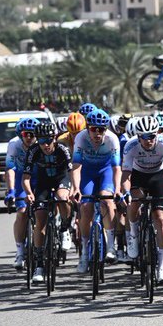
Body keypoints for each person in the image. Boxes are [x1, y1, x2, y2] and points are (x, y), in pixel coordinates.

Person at [120, 114, 163, 284]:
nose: (148, 140)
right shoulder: (131, 146)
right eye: (144, 137)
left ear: (157, 134)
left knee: (160, 218)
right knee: (134, 202)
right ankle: (133, 235)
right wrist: (126, 192)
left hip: (157, 176)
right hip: (138, 176)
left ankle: (162, 268)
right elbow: (126, 175)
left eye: (152, 136)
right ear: (138, 137)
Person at [22, 120, 76, 284]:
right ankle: (39, 265)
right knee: (40, 220)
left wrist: (73, 190)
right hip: (43, 183)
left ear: (54, 138)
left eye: (48, 140)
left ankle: (65, 228)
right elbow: (26, 177)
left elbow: (72, 172)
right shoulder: (33, 151)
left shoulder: (62, 149)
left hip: (61, 179)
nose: (45, 145)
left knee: (62, 198)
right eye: (41, 141)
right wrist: (29, 193)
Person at [71, 108, 121, 271]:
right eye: (94, 129)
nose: (97, 133)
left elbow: (116, 168)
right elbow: (76, 166)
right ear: (88, 128)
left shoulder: (112, 139)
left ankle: (111, 246)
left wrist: (117, 189)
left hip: (106, 171)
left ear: (106, 129)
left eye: (101, 129)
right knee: (86, 207)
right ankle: (85, 253)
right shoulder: (80, 138)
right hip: (88, 172)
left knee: (107, 201)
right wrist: (76, 188)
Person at [3, 117, 38, 268]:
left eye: (32, 134)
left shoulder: (41, 144)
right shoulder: (14, 145)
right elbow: (10, 169)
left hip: (38, 178)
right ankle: (20, 251)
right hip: (21, 178)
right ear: (20, 135)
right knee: (22, 212)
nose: (29, 137)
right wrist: (11, 191)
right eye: (25, 134)